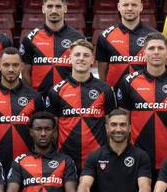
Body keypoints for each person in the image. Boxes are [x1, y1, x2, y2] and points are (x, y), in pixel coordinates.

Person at [113, 33, 167, 178]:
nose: (156, 52)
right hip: (137, 157)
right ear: (144, 53)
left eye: (160, 48)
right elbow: (122, 121)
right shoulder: (128, 81)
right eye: (152, 48)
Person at [46, 38, 117, 175]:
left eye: (86, 55)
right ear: (70, 58)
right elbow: (52, 130)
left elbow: (110, 126)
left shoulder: (105, 89)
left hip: (98, 158)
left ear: (92, 60)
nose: (81, 59)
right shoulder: (56, 91)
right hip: (65, 159)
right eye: (77, 55)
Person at [0, 46, 46, 172]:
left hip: (28, 167)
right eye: (6, 65)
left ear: (22, 66)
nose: (11, 69)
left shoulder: (35, 97)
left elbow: (41, 135)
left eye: (15, 65)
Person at [21, 0, 86, 94]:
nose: (54, 11)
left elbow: (83, 71)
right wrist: (34, 97)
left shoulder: (78, 38)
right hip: (40, 102)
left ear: (65, 8)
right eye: (50, 6)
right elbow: (25, 73)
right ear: (43, 9)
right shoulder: (29, 39)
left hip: (69, 100)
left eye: (58, 6)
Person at [96, 0, 157, 88]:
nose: (129, 8)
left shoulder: (154, 36)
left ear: (141, 7)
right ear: (119, 7)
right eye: (125, 5)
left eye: (134, 5)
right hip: (115, 97)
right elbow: (102, 76)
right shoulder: (104, 36)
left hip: (145, 97)